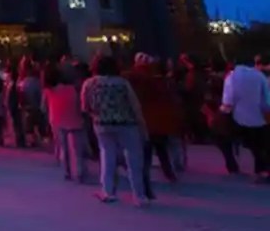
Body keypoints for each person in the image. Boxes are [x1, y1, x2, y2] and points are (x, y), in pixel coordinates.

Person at [81, 55, 149, 205]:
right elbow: (135, 106)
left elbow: (85, 107)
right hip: (126, 123)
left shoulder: (89, 84)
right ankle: (139, 195)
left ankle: (107, 191)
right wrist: (142, 126)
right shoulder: (122, 83)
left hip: (101, 124)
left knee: (107, 156)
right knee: (133, 159)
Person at [126, 55, 181, 199]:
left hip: (145, 120)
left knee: (145, 156)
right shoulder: (163, 82)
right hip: (160, 121)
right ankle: (169, 174)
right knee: (161, 149)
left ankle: (146, 186)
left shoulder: (136, 79)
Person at [221, 54, 270, 182]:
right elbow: (266, 99)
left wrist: (223, 111)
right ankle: (261, 170)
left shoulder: (231, 77)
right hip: (259, 118)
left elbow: (228, 101)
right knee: (260, 145)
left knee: (225, 139)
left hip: (239, 118)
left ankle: (233, 166)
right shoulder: (260, 76)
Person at [42, 64, 87, 183]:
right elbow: (79, 105)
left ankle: (67, 172)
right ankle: (80, 172)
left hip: (57, 119)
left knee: (64, 147)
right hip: (75, 119)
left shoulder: (49, 90)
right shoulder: (73, 89)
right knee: (78, 149)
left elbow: (43, 107)